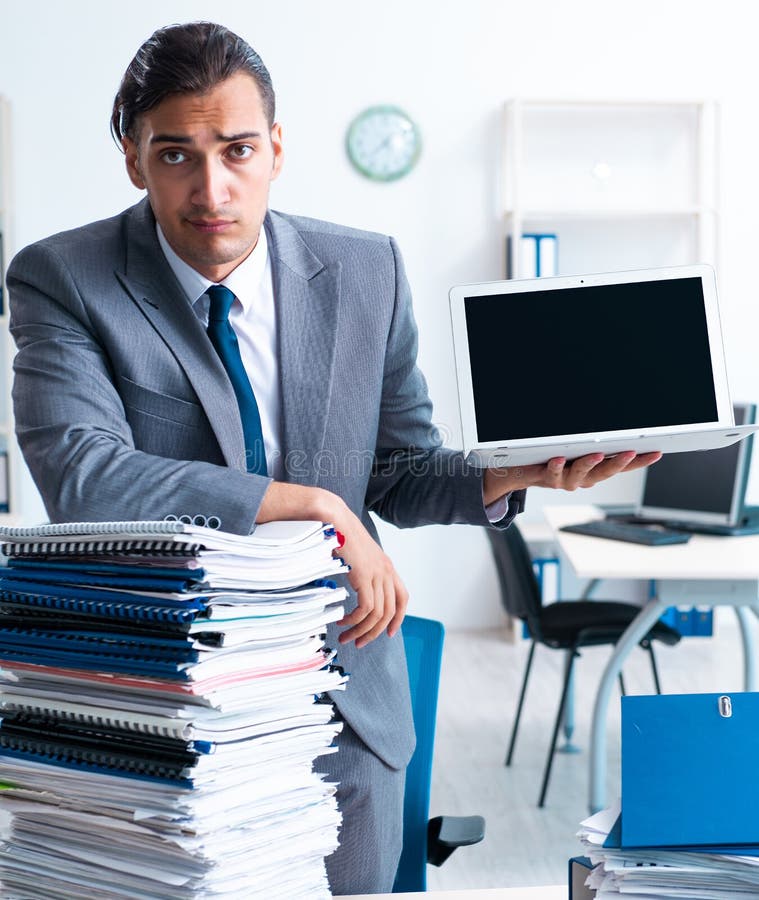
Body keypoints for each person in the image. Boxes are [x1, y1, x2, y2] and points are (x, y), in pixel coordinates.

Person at [6, 22, 659, 895]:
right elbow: (86, 476)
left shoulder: (365, 271)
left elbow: (398, 468)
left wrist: (513, 472)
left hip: (342, 699)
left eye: (238, 150)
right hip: (165, 700)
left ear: (276, 148)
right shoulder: (64, 277)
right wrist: (312, 504)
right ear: (133, 158)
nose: (212, 188)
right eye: (176, 155)